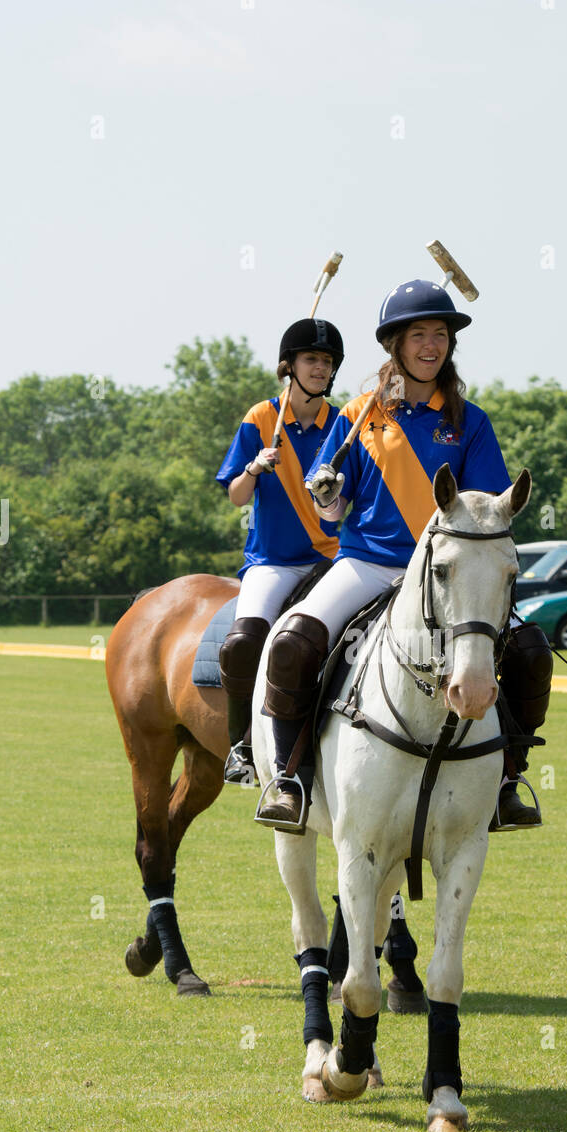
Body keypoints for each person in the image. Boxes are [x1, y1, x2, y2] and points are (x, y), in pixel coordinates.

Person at [256, 279, 553, 830]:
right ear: (395, 345)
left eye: (440, 334)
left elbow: (487, 509)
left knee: (531, 650)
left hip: (446, 576)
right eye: (418, 334)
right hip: (369, 563)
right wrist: (327, 492)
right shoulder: (356, 416)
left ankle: (509, 778)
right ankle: (289, 777)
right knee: (295, 640)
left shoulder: (470, 421)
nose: (431, 345)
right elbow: (334, 510)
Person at [215, 318, 344, 783]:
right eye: (311, 359)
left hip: (332, 557)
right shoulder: (260, 419)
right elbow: (236, 496)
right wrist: (253, 466)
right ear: (288, 366)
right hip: (271, 561)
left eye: (327, 362)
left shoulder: (343, 423)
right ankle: (243, 746)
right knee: (244, 641)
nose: (319, 369)